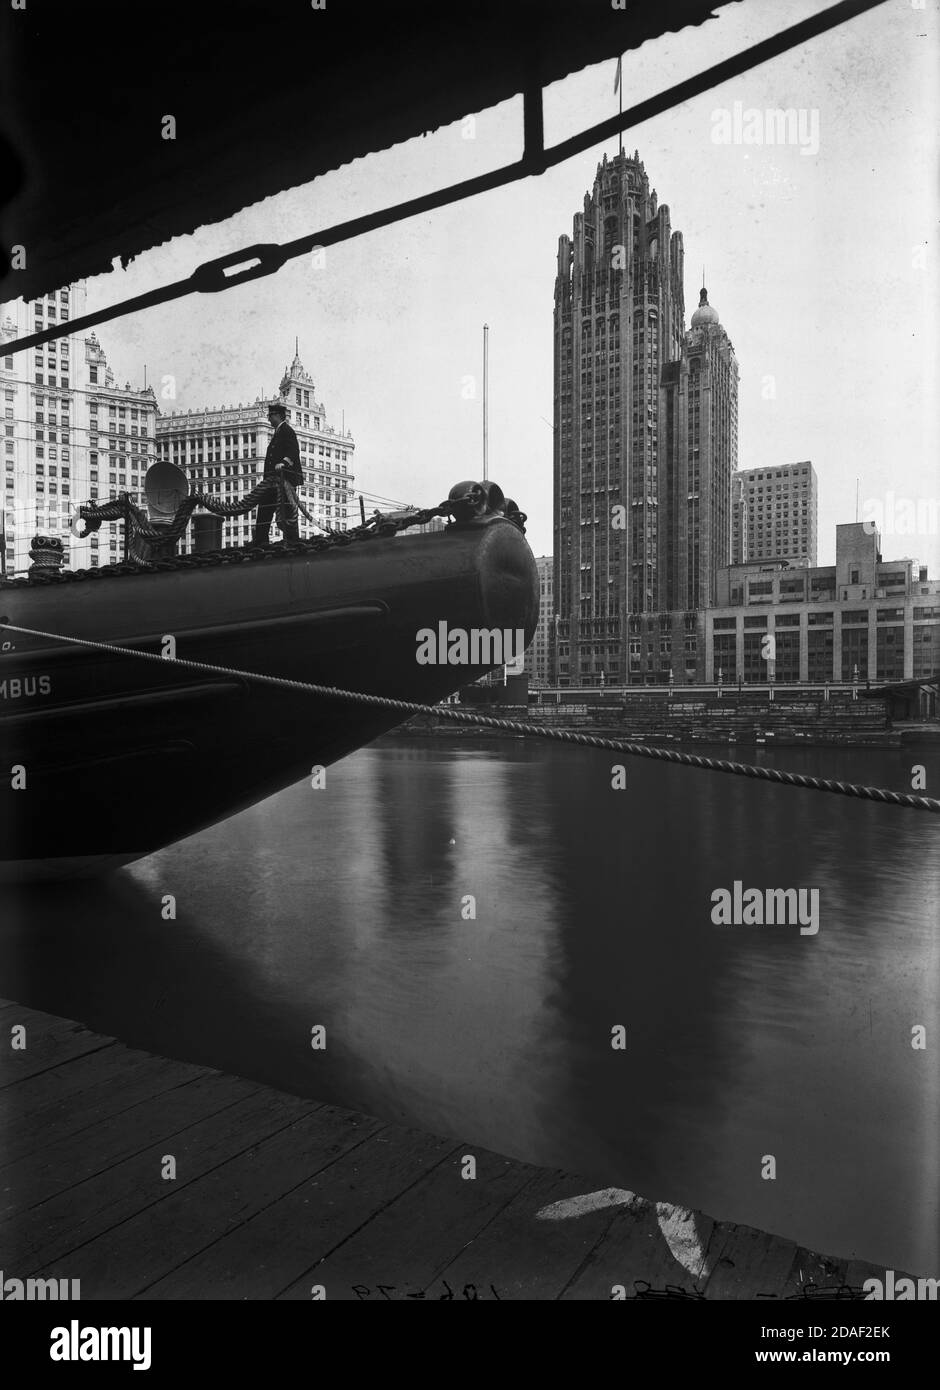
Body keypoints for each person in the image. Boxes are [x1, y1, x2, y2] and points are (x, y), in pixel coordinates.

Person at [253, 400, 303, 545]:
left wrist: (284, 463)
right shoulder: (278, 433)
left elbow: (293, 451)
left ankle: (292, 539)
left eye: (271, 415)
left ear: (279, 416)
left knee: (287, 509)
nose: (268, 418)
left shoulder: (287, 430)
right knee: (265, 507)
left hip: (284, 479)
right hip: (273, 481)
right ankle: (260, 540)